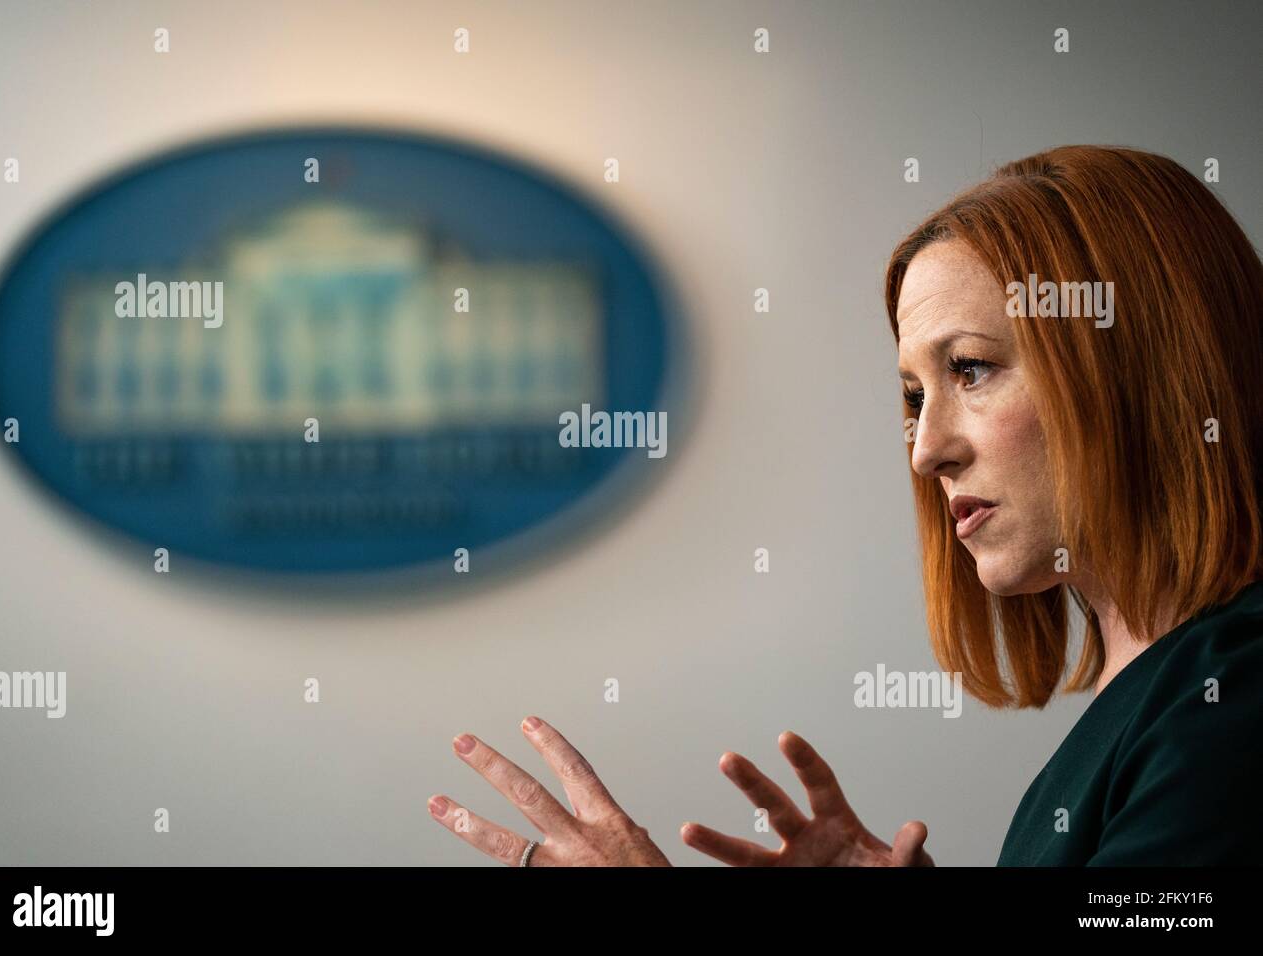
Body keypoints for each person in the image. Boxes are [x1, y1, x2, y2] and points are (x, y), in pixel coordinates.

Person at [426, 145, 1263, 866]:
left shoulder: (1234, 697)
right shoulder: (1172, 696)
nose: (926, 448)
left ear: (1139, 367)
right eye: (911, 396)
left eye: (970, 369)